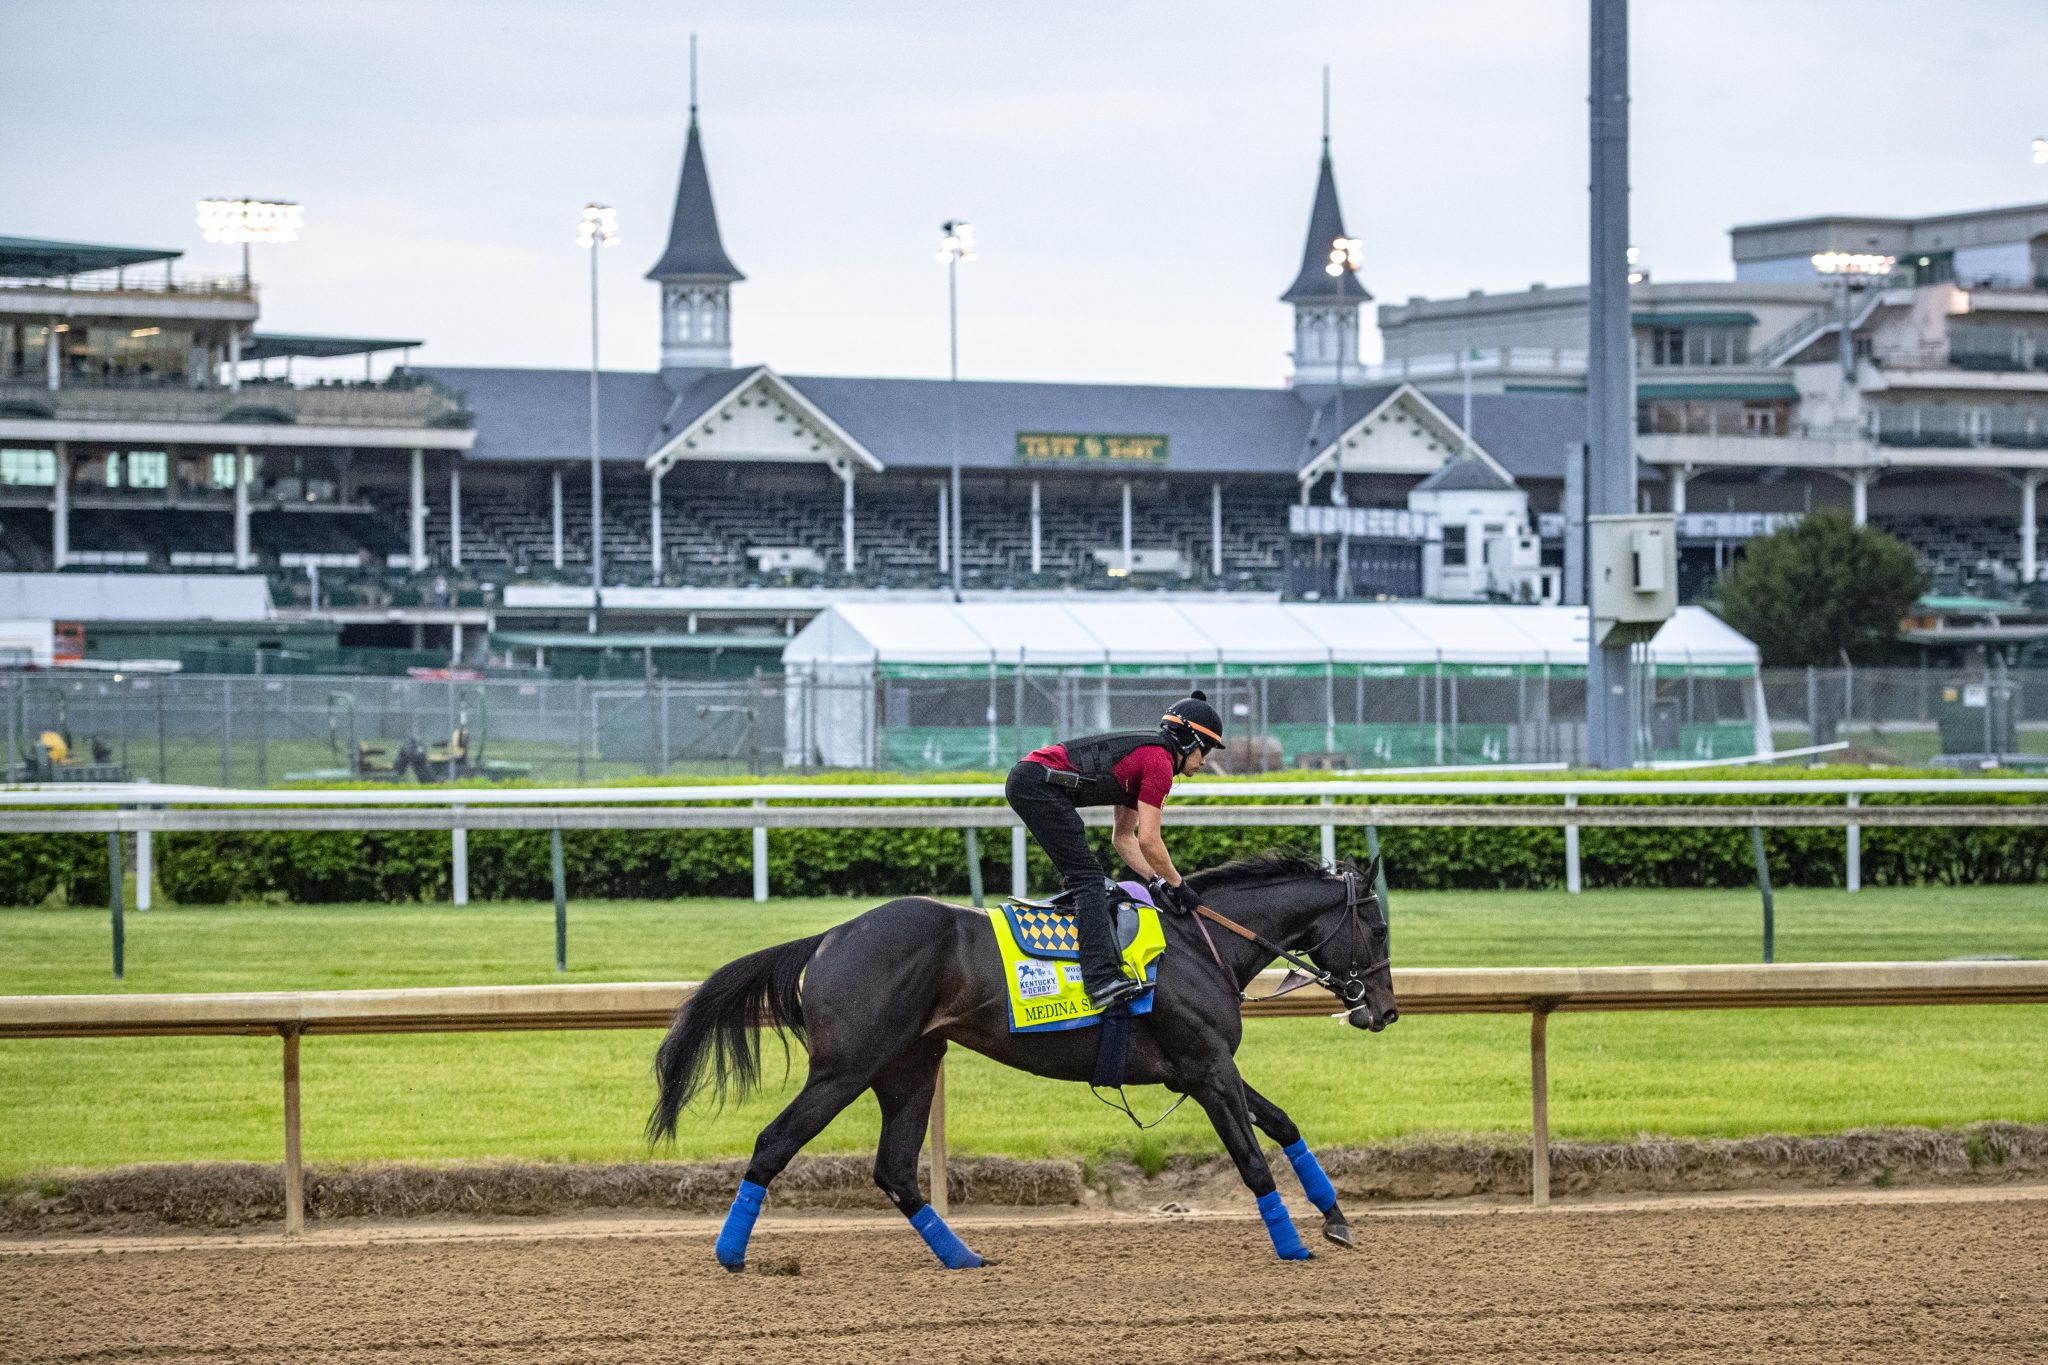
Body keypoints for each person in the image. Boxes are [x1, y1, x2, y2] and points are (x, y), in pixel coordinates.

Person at [1004, 691, 1227, 1010]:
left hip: (1033, 779)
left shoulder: (1149, 756)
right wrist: (1180, 885)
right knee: (1088, 880)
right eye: (1205, 750)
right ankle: (1101, 979)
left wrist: (1157, 880)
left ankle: (1096, 970)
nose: (1205, 761)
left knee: (1088, 878)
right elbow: (1150, 840)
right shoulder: (1159, 762)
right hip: (1037, 783)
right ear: (1189, 742)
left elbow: (1123, 837)